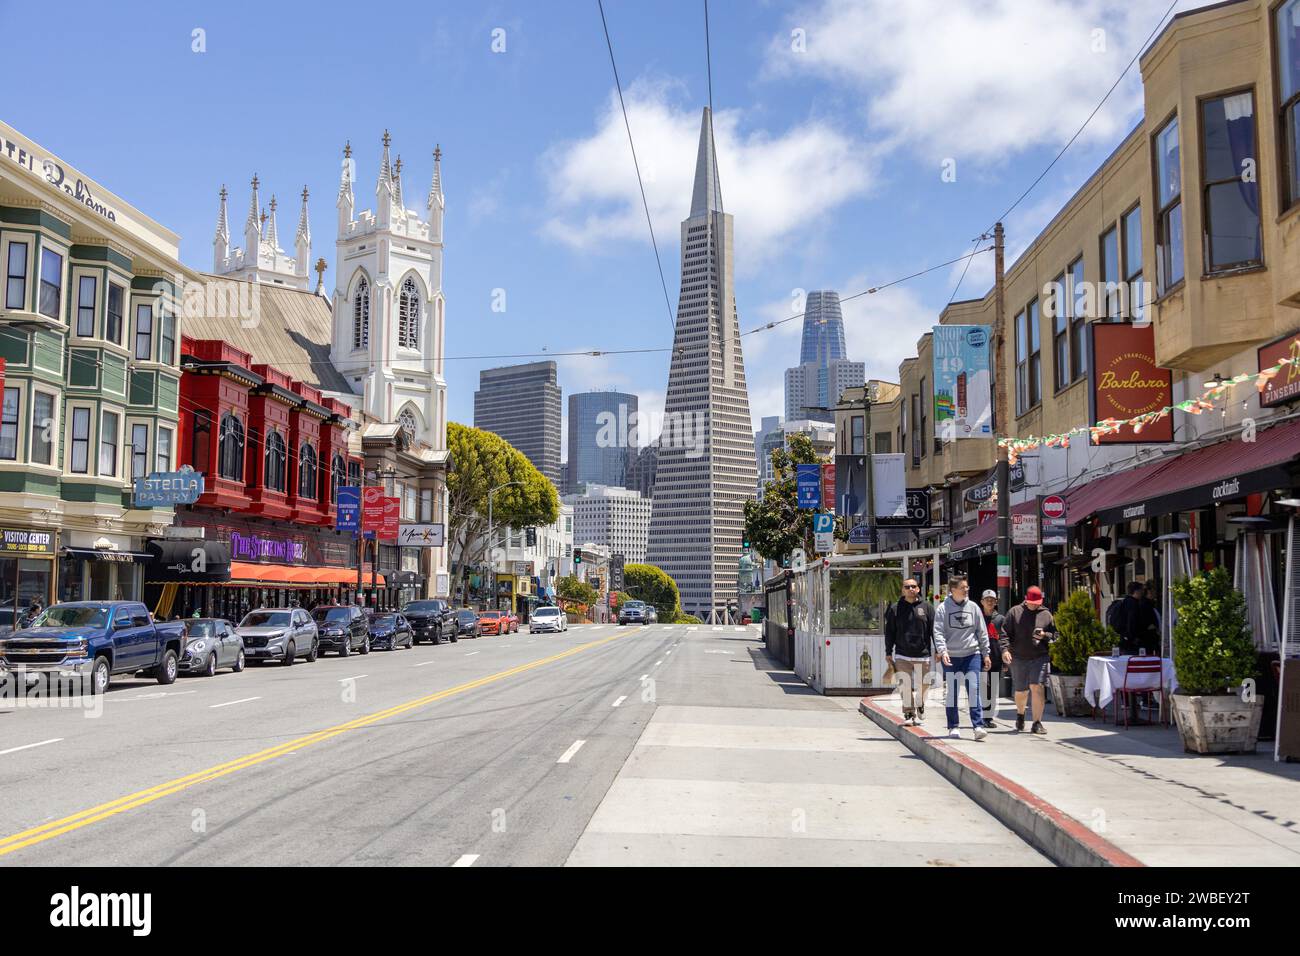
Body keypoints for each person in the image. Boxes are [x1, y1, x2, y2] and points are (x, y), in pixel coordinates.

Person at [933, 575, 992, 741]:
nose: (966, 590)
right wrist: (943, 651)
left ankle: (978, 726)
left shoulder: (973, 607)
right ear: (953, 590)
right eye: (963, 587)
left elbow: (982, 631)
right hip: (951, 656)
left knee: (973, 689)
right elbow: (938, 632)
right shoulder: (943, 608)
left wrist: (985, 653)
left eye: (967, 587)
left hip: (972, 655)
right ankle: (953, 726)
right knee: (952, 692)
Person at [999, 586, 1057, 735]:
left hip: (1040, 656)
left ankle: (1037, 723)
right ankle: (1020, 714)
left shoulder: (1046, 615)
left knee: (1037, 686)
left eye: (1037, 602)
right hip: (1018, 657)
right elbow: (1004, 634)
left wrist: (1045, 635)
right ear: (1026, 599)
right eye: (1032, 602)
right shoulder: (1014, 612)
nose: (1034, 605)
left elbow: (1056, 636)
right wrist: (1005, 650)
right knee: (1021, 691)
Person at [884, 577, 934, 726]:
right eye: (907, 587)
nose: (910, 589)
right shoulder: (895, 608)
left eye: (913, 586)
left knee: (925, 684)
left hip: (923, 654)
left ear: (918, 589)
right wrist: (888, 652)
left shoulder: (927, 607)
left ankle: (920, 703)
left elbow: (933, 630)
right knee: (904, 685)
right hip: (902, 654)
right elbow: (890, 632)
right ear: (903, 590)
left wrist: (939, 650)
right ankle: (908, 712)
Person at [978, 590, 1005, 729]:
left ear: (996, 602)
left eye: (992, 599)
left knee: (993, 689)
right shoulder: (977, 618)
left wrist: (1005, 659)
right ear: (982, 602)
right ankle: (980, 716)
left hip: (996, 659)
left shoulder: (1000, 619)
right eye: (987, 599)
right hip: (980, 658)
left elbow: (1005, 639)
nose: (989, 601)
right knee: (983, 687)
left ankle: (988, 718)